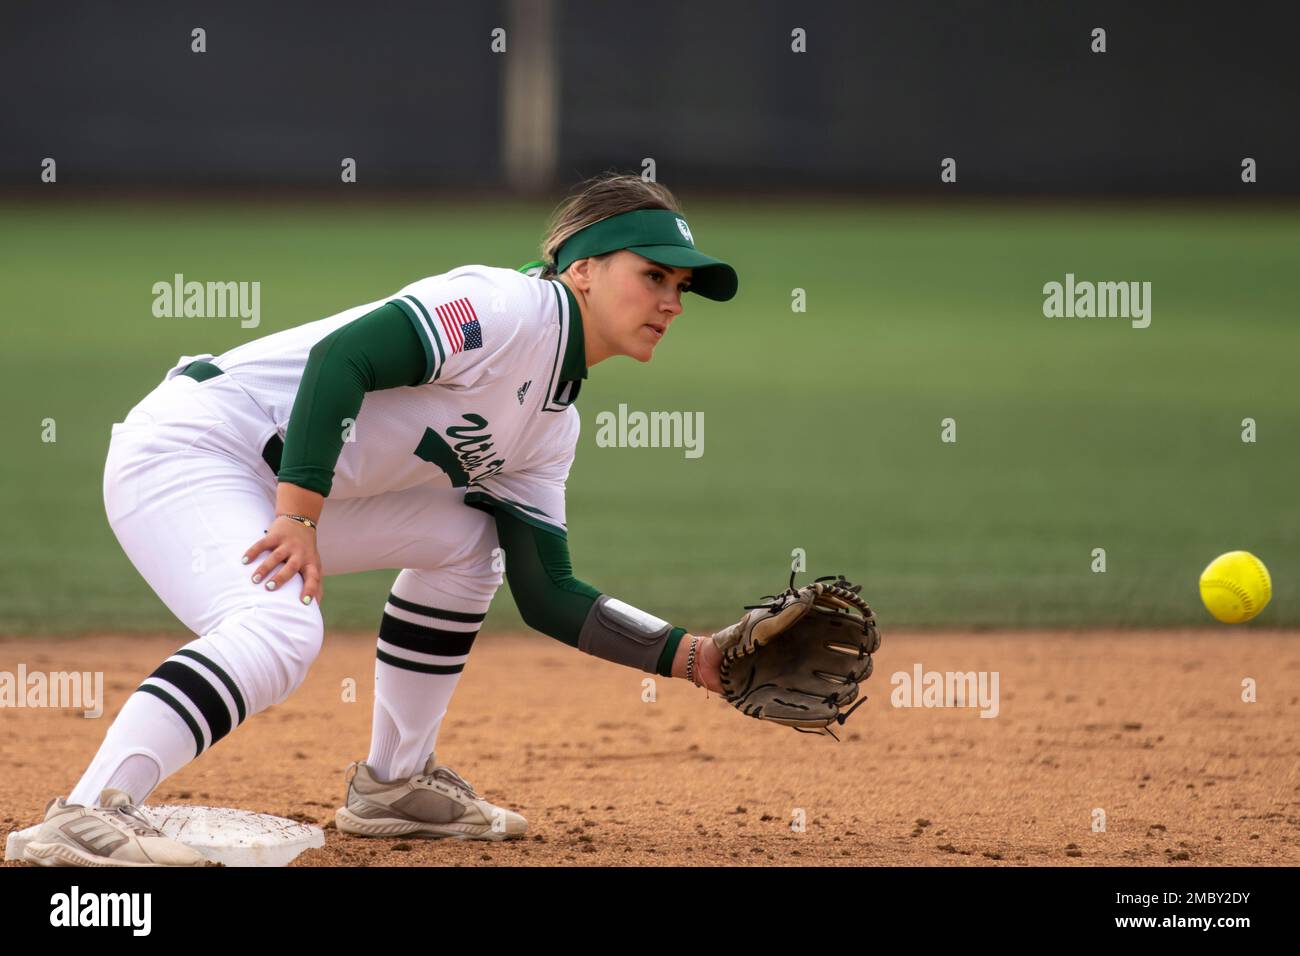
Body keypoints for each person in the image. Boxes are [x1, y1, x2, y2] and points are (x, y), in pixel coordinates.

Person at [22, 173, 739, 867]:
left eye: (679, 288)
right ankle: (88, 812)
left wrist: (694, 658)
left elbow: (546, 589)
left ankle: (392, 784)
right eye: (654, 276)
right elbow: (346, 357)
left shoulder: (552, 426)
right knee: (281, 628)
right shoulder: (505, 307)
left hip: (273, 485)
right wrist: (299, 519)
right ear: (583, 270)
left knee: (470, 539)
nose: (672, 301)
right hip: (196, 446)